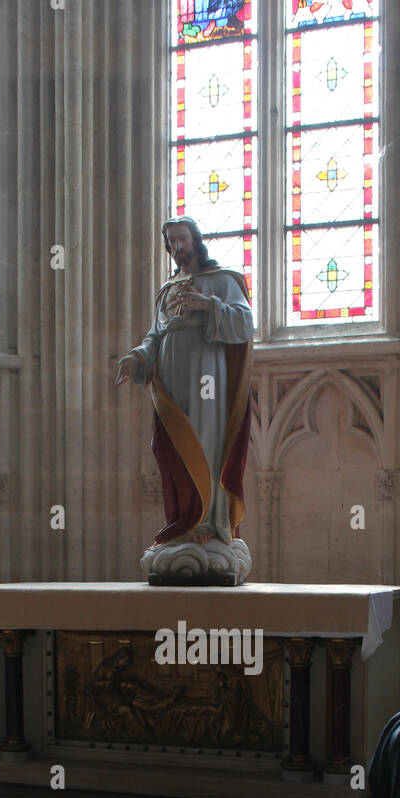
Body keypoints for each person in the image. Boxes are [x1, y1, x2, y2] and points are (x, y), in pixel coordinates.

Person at [116, 217, 253, 549]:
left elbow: (245, 322)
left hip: (207, 371)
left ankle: (210, 522)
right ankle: (182, 520)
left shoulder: (222, 279)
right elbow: (155, 334)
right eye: (172, 242)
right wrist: (138, 358)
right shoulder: (167, 289)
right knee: (168, 448)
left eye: (183, 239)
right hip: (171, 374)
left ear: (196, 240)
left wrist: (207, 305)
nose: (178, 247)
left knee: (205, 439)